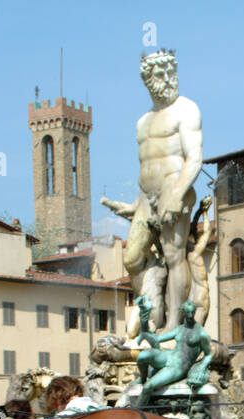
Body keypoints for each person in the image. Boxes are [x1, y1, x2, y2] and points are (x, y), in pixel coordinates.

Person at [100, 49, 202, 330]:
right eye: (158, 75)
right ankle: (152, 307)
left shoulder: (187, 109)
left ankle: (173, 325)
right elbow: (149, 166)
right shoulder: (142, 122)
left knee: (174, 256)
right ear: (147, 79)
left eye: (170, 73)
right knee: (132, 257)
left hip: (175, 191)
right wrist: (135, 205)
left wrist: (177, 193)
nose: (166, 80)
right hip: (146, 198)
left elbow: (194, 158)